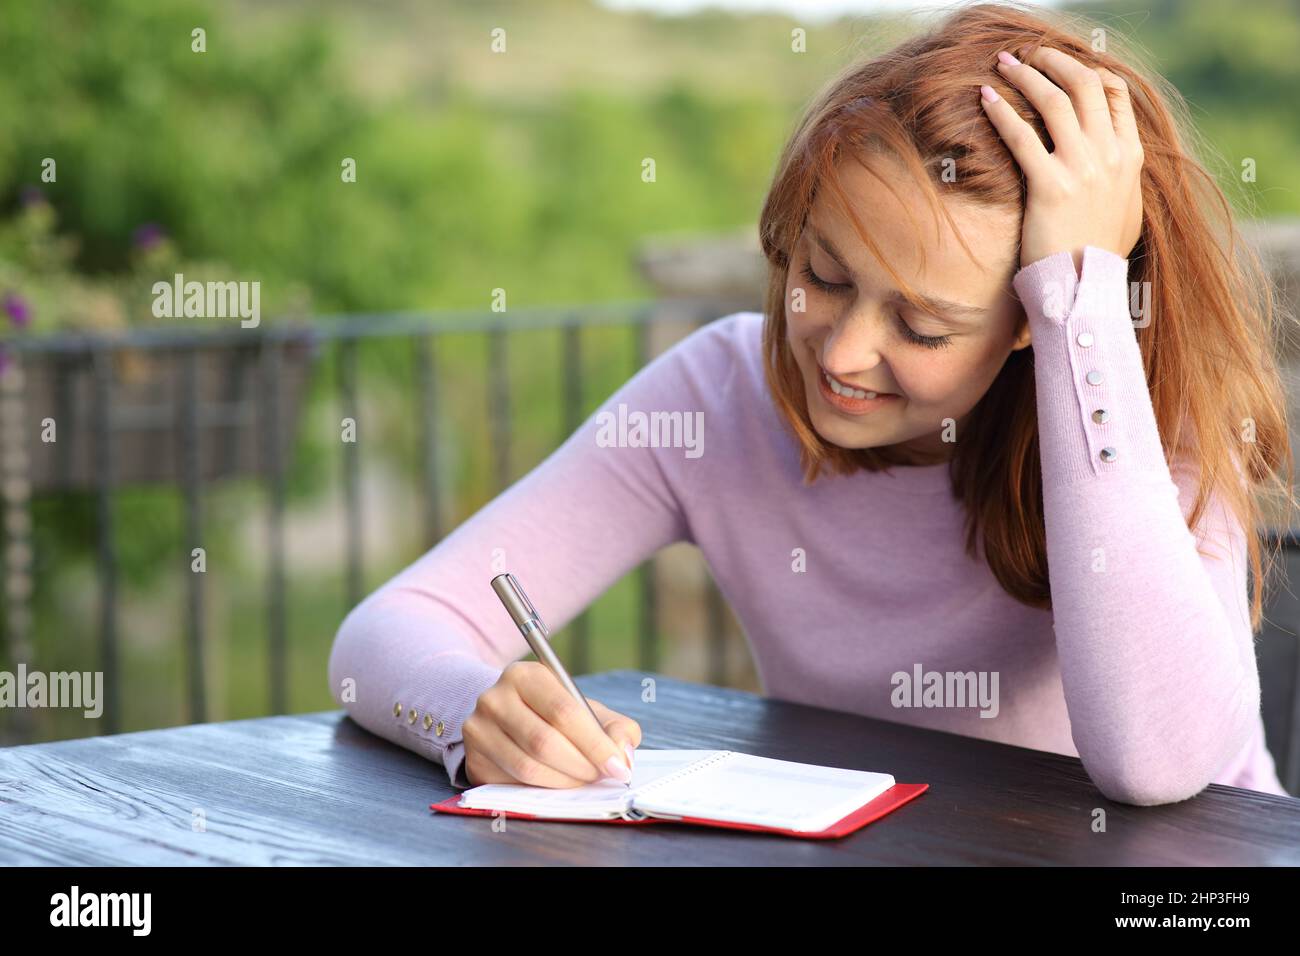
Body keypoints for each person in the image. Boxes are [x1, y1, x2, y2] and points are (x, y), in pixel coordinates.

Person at [329, 3, 1296, 804]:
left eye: (921, 327)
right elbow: (381, 635)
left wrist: (1084, 303)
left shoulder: (1126, 415)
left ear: (1025, 324)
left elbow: (1156, 765)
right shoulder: (717, 396)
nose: (842, 353)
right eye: (824, 277)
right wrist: (471, 713)